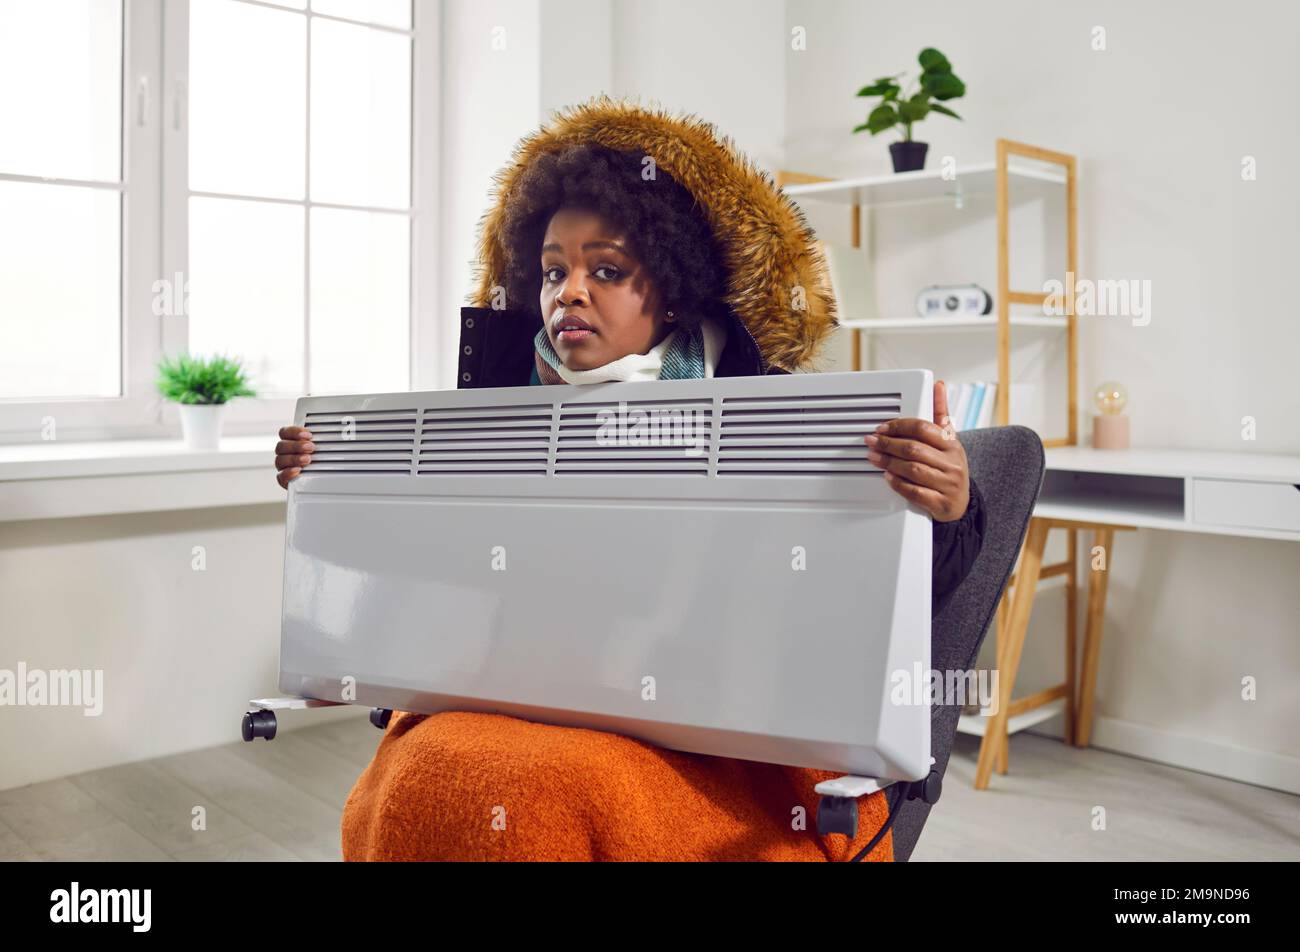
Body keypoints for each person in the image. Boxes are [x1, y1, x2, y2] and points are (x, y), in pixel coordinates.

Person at [275, 97, 986, 860]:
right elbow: (416, 576)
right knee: (431, 779)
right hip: (519, 704)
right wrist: (329, 487)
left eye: (605, 269)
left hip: (724, 750)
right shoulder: (493, 414)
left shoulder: (776, 408)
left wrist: (949, 503)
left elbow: (896, 585)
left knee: (512, 798)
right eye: (553, 270)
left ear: (673, 285)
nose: (568, 292)